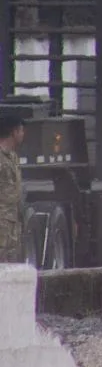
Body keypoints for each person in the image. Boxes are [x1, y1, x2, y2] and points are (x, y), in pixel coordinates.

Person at [0, 109, 25, 265]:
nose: (23, 134)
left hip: (12, 229)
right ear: (13, 132)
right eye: (21, 130)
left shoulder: (13, 157)